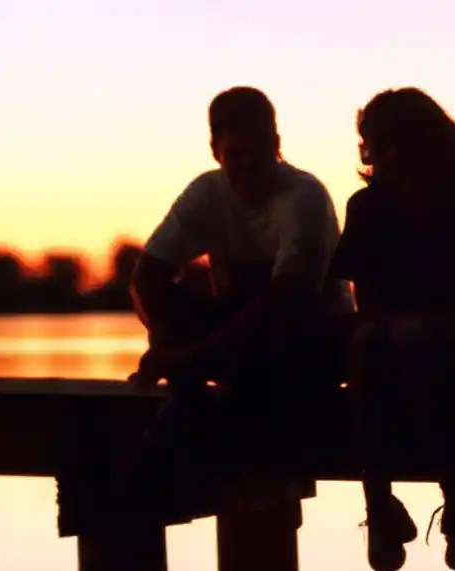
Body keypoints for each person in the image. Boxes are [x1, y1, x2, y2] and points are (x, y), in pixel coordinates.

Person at [127, 86, 354, 523]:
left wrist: (184, 358)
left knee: (282, 341)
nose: (248, 166)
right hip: (238, 349)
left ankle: (198, 454)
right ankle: (176, 458)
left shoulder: (303, 197)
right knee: (176, 307)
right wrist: (163, 338)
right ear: (215, 151)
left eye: (259, 152)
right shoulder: (205, 194)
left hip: (309, 344)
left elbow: (285, 303)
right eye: (235, 154)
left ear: (277, 145)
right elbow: (145, 278)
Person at [330, 88, 455, 571]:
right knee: (367, 342)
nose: (377, 155)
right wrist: (399, 326)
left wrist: (420, 326)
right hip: (387, 336)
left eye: (387, 143)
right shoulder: (365, 206)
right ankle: (379, 506)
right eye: (371, 145)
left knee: (427, 344)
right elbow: (368, 302)